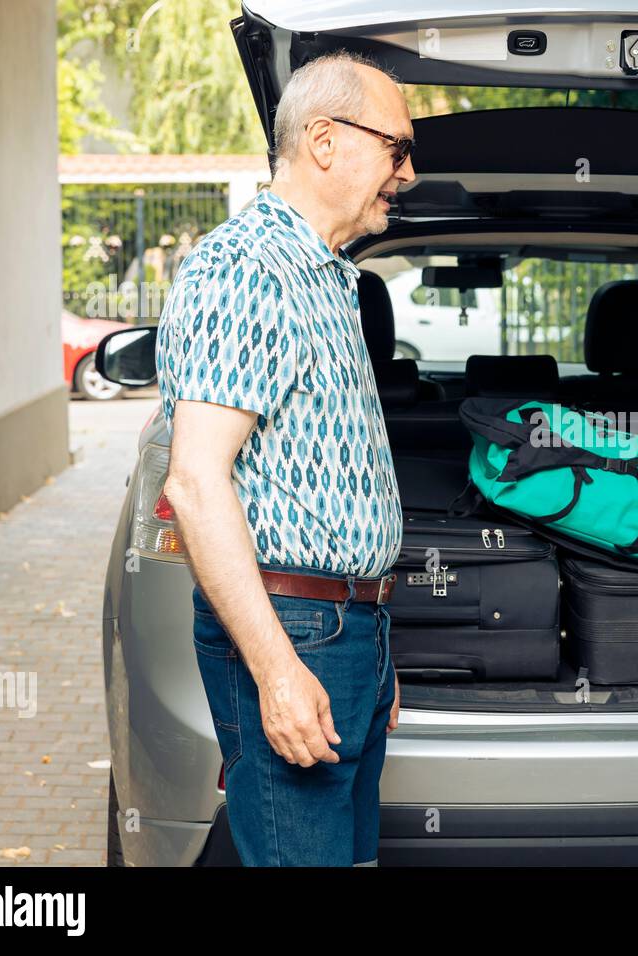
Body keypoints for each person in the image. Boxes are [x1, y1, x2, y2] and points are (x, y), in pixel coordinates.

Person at [154, 51, 416, 866]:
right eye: (397, 149)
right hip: (295, 632)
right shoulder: (248, 271)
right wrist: (277, 670)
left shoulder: (327, 275)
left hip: (344, 632)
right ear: (326, 140)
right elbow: (197, 486)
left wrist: (371, 646)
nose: (408, 174)